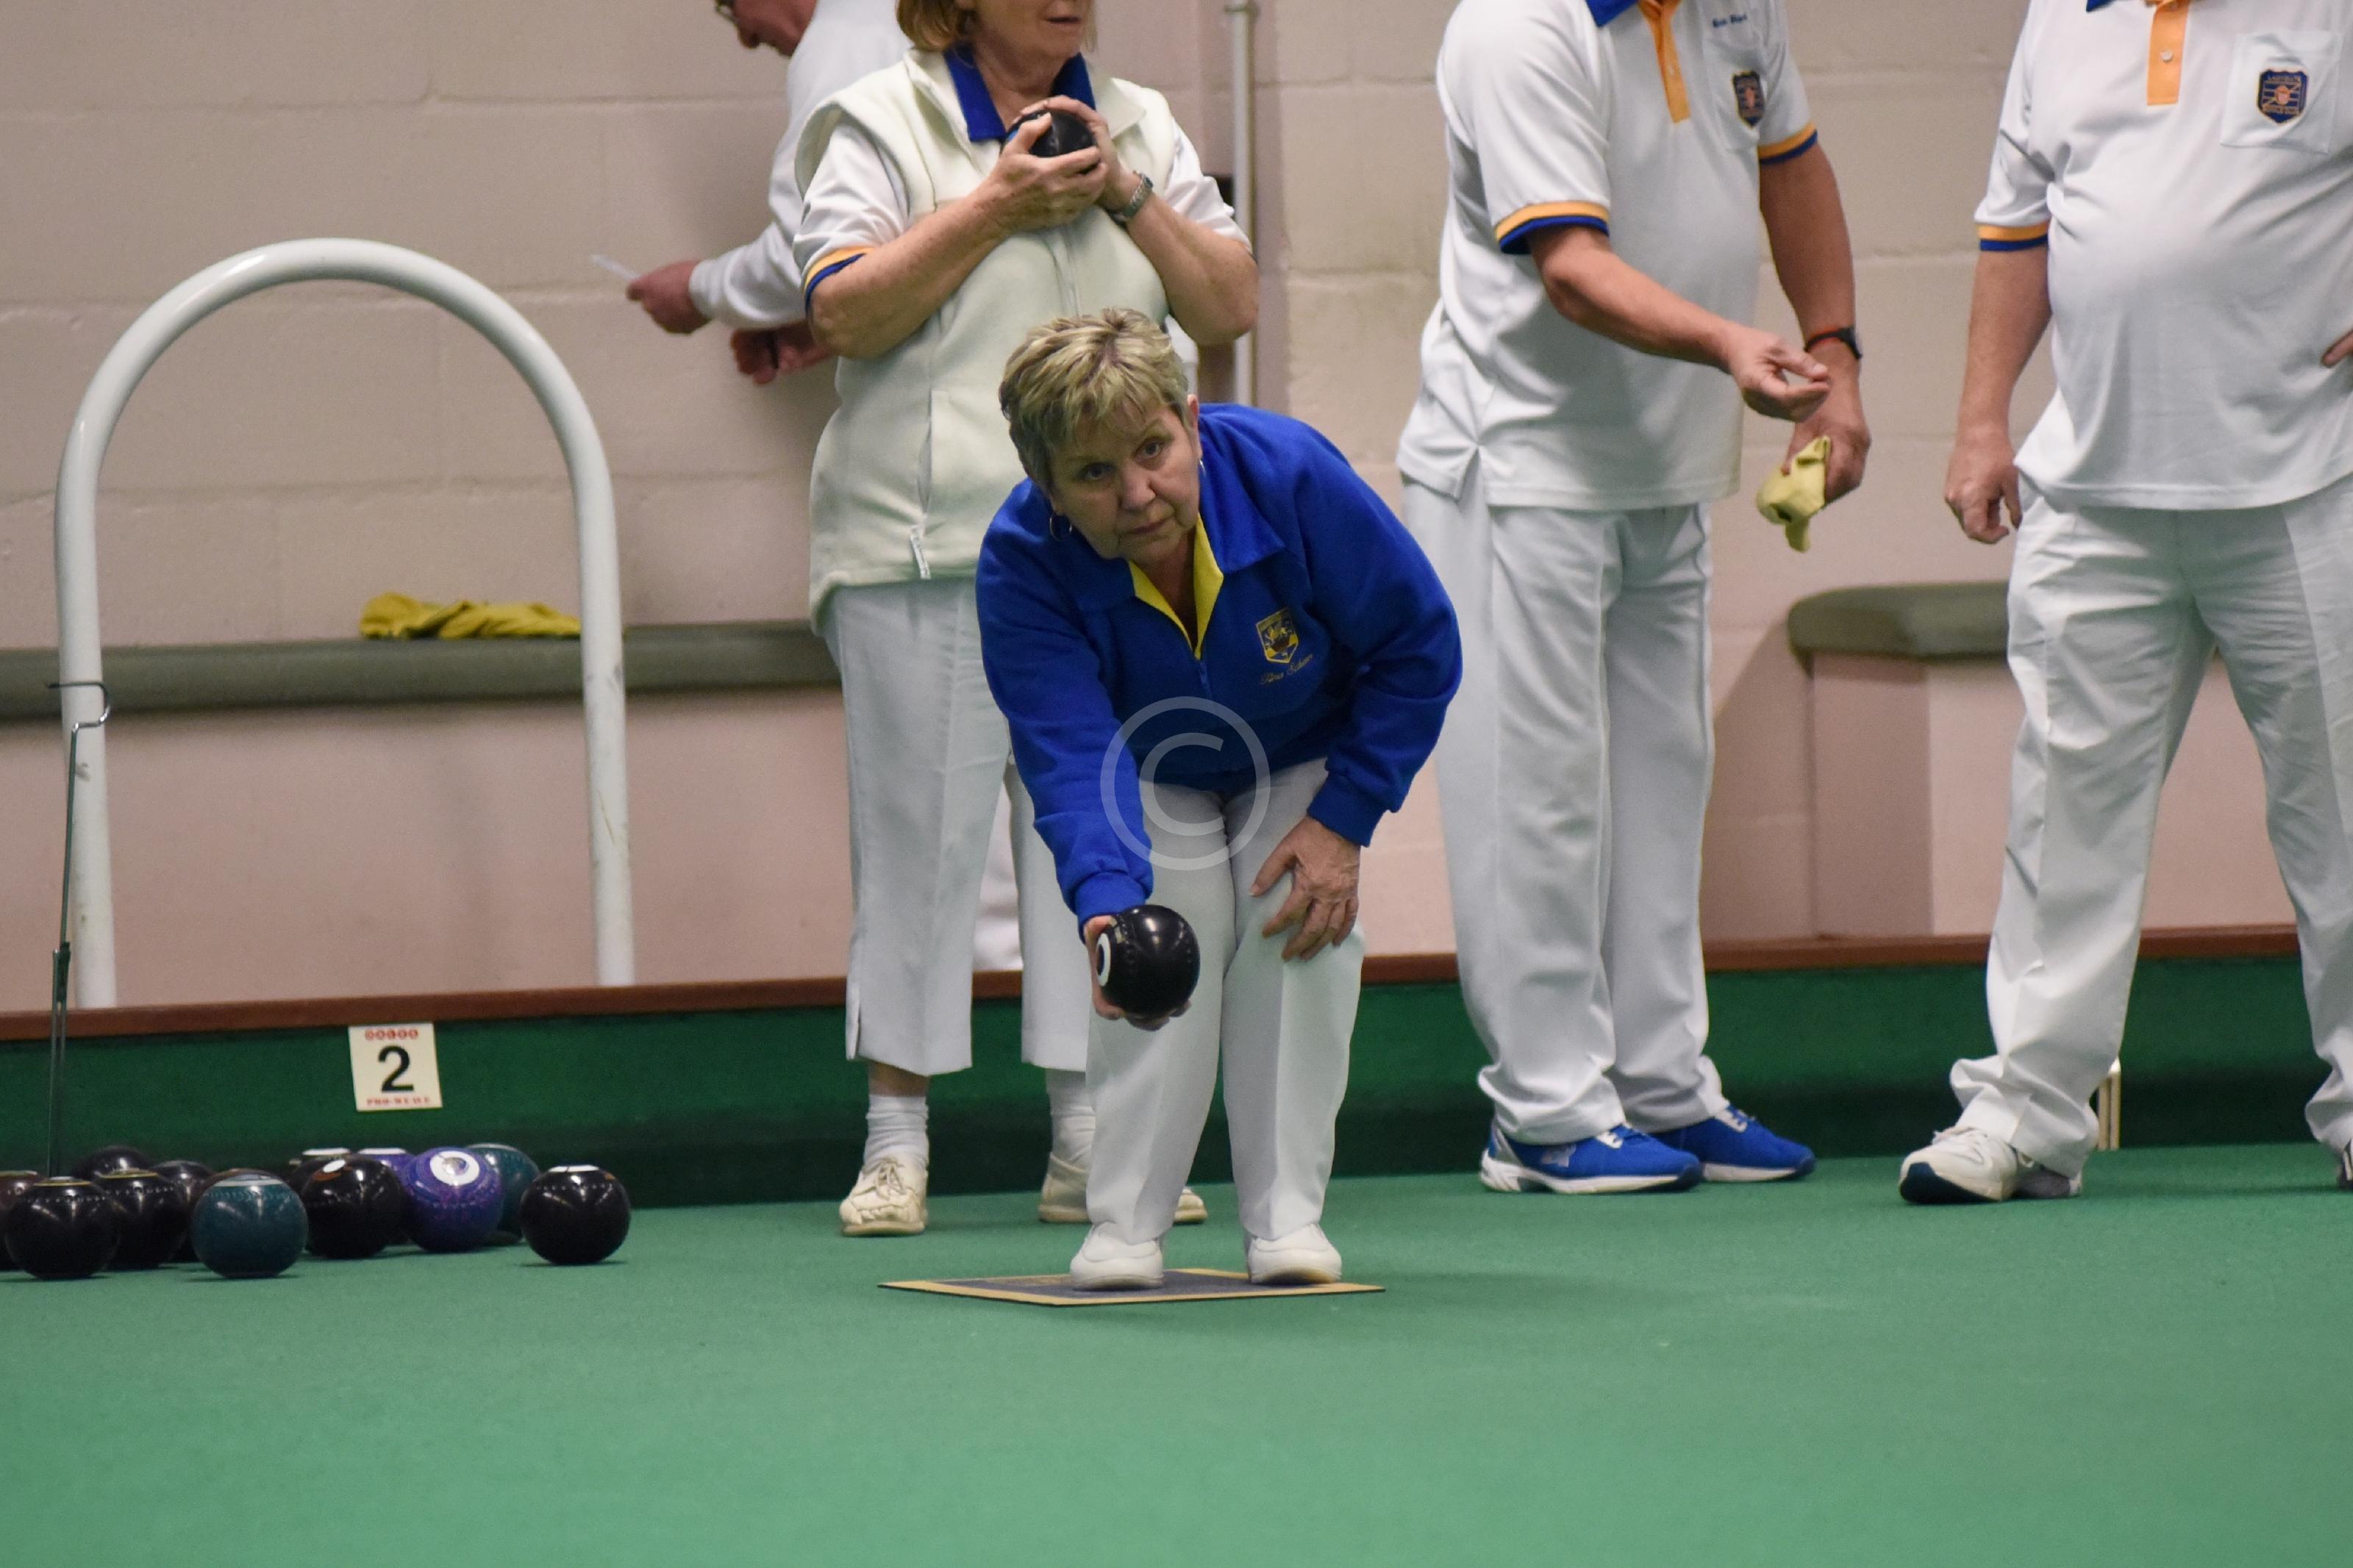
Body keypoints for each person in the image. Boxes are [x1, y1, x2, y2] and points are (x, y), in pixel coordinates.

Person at [793, 0, 1258, 1236]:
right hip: (921, 545)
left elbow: (1229, 302)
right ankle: (897, 1141)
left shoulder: (1142, 124)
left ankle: (1088, 1135)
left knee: (1094, 836)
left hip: (1103, 553)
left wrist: (1129, 197)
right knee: (920, 843)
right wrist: (996, 203)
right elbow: (841, 307)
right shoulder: (881, 122)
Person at [1400, 0, 1870, 1195]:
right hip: (1520, 467)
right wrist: (1729, 345)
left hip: (1664, 467)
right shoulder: (1520, 27)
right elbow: (1570, 267)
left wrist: (1839, 359)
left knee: (1664, 784)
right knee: (1537, 795)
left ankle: (1664, 1086)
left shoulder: (1735, 8)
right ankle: (1545, 1110)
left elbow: (1793, 166)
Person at [1901, 0, 2353, 1203]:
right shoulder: (2063, 16)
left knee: (2343, 812)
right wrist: (1983, 420)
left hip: (2307, 485)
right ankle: (2025, 1117)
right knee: (2060, 818)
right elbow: (2017, 224)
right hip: (2095, 491)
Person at [978, 310, 1461, 1287]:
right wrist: (1106, 904)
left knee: (1300, 927)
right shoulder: (1023, 559)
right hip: (1147, 766)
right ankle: (1125, 1228)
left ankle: (1286, 1223)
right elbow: (1070, 748)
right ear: (1049, 487)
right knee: (1157, 950)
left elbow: (1419, 646)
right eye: (1095, 473)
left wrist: (1346, 821)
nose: (1140, 493)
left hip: (1302, 751)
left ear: (1191, 423)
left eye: (1154, 449)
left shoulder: (1291, 477)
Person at [624, 0, 908, 384]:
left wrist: (697, 291)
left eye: (731, 6)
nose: (746, 38)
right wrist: (844, 325)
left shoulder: (843, 41)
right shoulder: (893, 22)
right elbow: (920, 227)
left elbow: (812, 256)